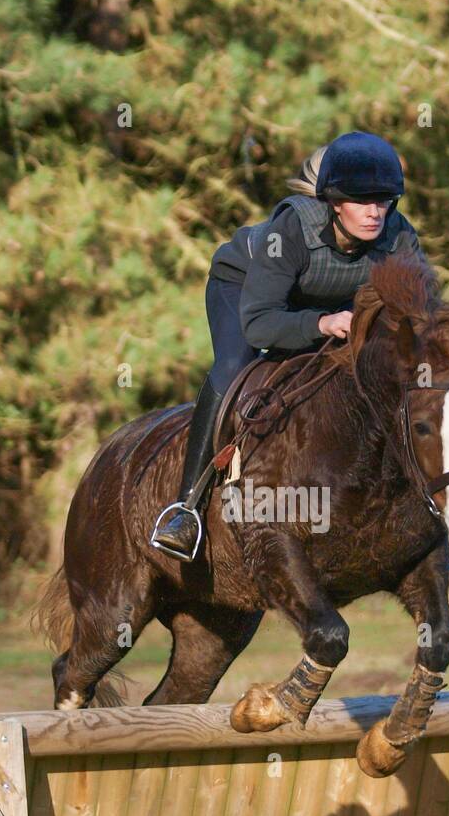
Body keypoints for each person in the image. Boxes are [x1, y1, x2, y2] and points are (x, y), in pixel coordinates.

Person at [150, 130, 422, 560]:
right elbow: (260, 325)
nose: (375, 213)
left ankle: (420, 510)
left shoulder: (399, 236)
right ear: (334, 201)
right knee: (234, 368)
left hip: (325, 303)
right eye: (361, 200)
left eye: (385, 200)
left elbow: (418, 311)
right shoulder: (292, 230)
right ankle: (187, 508)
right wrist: (322, 322)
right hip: (247, 293)